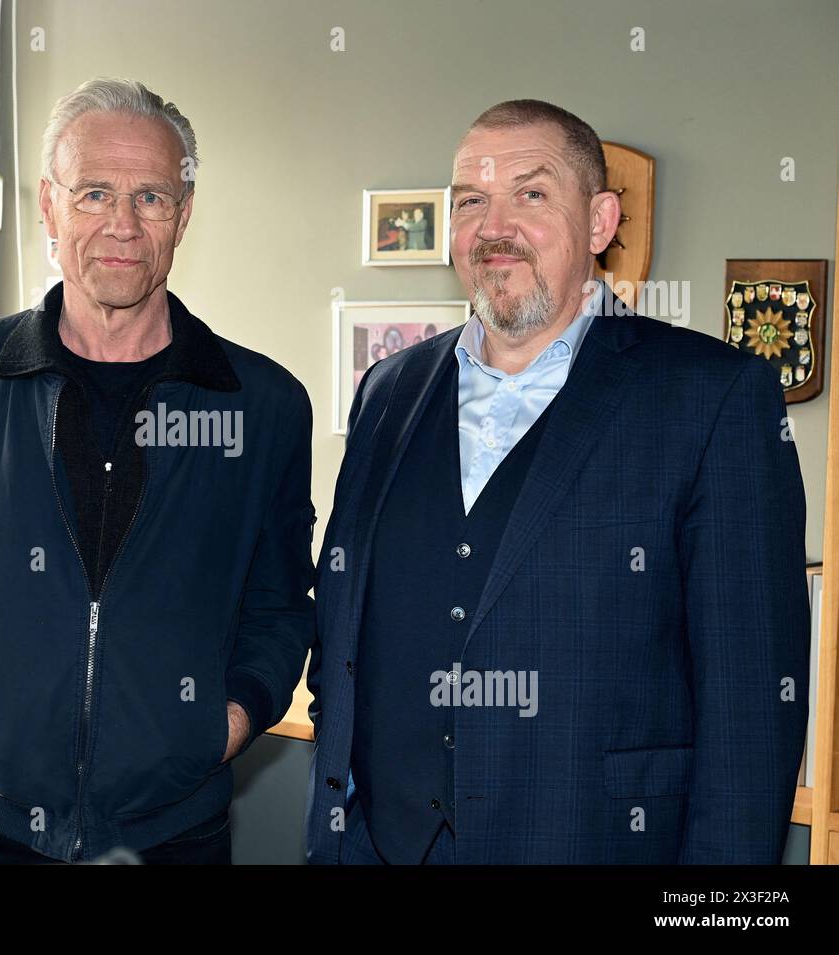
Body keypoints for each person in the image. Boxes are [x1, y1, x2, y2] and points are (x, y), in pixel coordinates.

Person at [307, 99, 808, 864]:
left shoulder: (713, 397)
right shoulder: (388, 389)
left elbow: (751, 714)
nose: (494, 226)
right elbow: (346, 631)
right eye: (471, 200)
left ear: (602, 222)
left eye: (531, 194)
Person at [0, 77, 316, 865]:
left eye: (151, 198)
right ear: (48, 205)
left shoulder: (263, 403)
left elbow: (281, 604)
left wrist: (228, 722)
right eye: (94, 193)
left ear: (185, 212)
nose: (122, 226)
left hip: (175, 830)